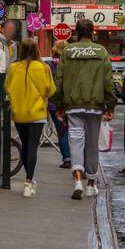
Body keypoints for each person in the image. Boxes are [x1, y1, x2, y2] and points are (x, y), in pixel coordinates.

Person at [52, 18, 116, 200]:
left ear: (76, 32)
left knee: (76, 141)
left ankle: (78, 180)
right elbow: (108, 81)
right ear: (92, 32)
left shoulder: (67, 51)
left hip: (73, 105)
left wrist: (59, 105)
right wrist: (110, 105)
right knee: (92, 144)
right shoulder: (101, 52)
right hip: (95, 105)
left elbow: (60, 80)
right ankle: (91, 184)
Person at [6, 39, 54, 198]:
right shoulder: (43, 68)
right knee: (32, 146)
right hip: (37, 113)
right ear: (35, 51)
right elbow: (50, 89)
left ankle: (30, 179)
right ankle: (28, 182)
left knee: (25, 145)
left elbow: (7, 87)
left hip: (19, 113)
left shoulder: (13, 68)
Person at [48, 39, 72, 168]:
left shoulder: (49, 65)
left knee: (61, 131)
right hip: (70, 102)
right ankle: (77, 157)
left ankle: (67, 158)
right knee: (74, 131)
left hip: (53, 103)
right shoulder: (71, 65)